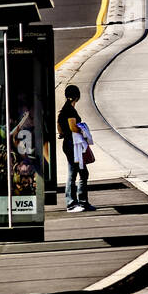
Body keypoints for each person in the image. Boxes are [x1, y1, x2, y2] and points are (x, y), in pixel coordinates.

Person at [57, 83, 95, 212]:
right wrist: (83, 130)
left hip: (69, 143)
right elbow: (73, 126)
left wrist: (63, 133)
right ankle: (73, 203)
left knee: (79, 172)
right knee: (76, 173)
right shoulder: (70, 110)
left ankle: (80, 202)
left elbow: (59, 127)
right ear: (77, 97)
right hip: (73, 145)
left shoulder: (64, 109)